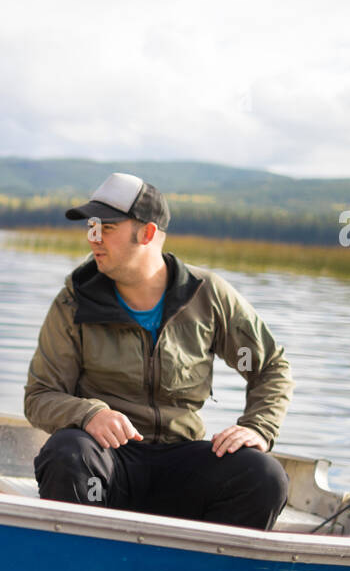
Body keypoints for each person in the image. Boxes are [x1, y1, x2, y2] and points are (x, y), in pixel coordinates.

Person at [24, 172, 293, 530]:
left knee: (263, 474)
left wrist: (258, 427)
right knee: (68, 452)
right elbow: (40, 396)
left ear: (148, 234)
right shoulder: (74, 302)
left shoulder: (207, 294)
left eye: (107, 227)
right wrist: (88, 414)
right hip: (107, 463)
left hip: (182, 466)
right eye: (91, 227)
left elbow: (271, 366)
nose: (93, 239)